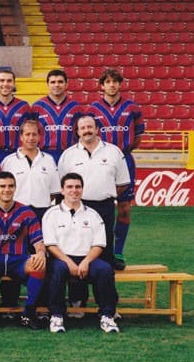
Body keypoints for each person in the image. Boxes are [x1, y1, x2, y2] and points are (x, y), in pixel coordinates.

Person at [42, 172, 120, 333]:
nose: (74, 190)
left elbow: (99, 244)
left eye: (78, 187)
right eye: (69, 187)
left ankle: (107, 315)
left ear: (82, 190)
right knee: (57, 270)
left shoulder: (92, 214)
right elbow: (50, 245)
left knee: (105, 270)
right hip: (61, 259)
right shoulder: (51, 214)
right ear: (62, 190)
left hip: (87, 259)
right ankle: (56, 315)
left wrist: (86, 262)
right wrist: (68, 262)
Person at [86, 68, 144, 270]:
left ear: (120, 84)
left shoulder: (133, 108)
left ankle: (118, 251)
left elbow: (138, 136)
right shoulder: (93, 109)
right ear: (101, 86)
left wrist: (122, 153)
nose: (111, 85)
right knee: (101, 208)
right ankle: (99, 251)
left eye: (115, 81)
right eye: (108, 82)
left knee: (124, 208)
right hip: (100, 161)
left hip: (124, 159)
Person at [0, 172, 47, 330]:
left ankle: (29, 313)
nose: (7, 190)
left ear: (15, 188)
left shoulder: (26, 212)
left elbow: (38, 240)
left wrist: (40, 253)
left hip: (18, 259)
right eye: (2, 186)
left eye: (10, 186)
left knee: (39, 265)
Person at [58, 115, 130, 268]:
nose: (87, 131)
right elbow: (63, 184)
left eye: (90, 127)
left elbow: (122, 183)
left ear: (97, 129)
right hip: (77, 207)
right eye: (82, 128)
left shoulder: (113, 152)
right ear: (77, 132)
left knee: (104, 248)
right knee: (78, 246)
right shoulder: (68, 155)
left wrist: (103, 191)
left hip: (105, 206)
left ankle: (104, 283)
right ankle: (78, 288)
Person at [0, 119, 60, 221]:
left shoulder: (48, 159)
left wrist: (53, 211)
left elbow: (55, 191)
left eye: (34, 134)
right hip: (16, 212)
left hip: (42, 211)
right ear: (21, 137)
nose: (31, 138)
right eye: (27, 134)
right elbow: (1, 190)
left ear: (39, 137)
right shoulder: (9, 161)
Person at [0, 69, 32, 162]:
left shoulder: (24, 106)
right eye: (2, 80)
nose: (5, 84)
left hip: (18, 155)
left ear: (14, 83)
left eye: (9, 81)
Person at [32, 69, 83, 161]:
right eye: (53, 82)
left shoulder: (76, 107)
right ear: (47, 84)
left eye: (60, 82)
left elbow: (81, 133)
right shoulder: (37, 106)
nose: (56, 85)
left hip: (70, 154)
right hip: (44, 155)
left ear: (66, 84)